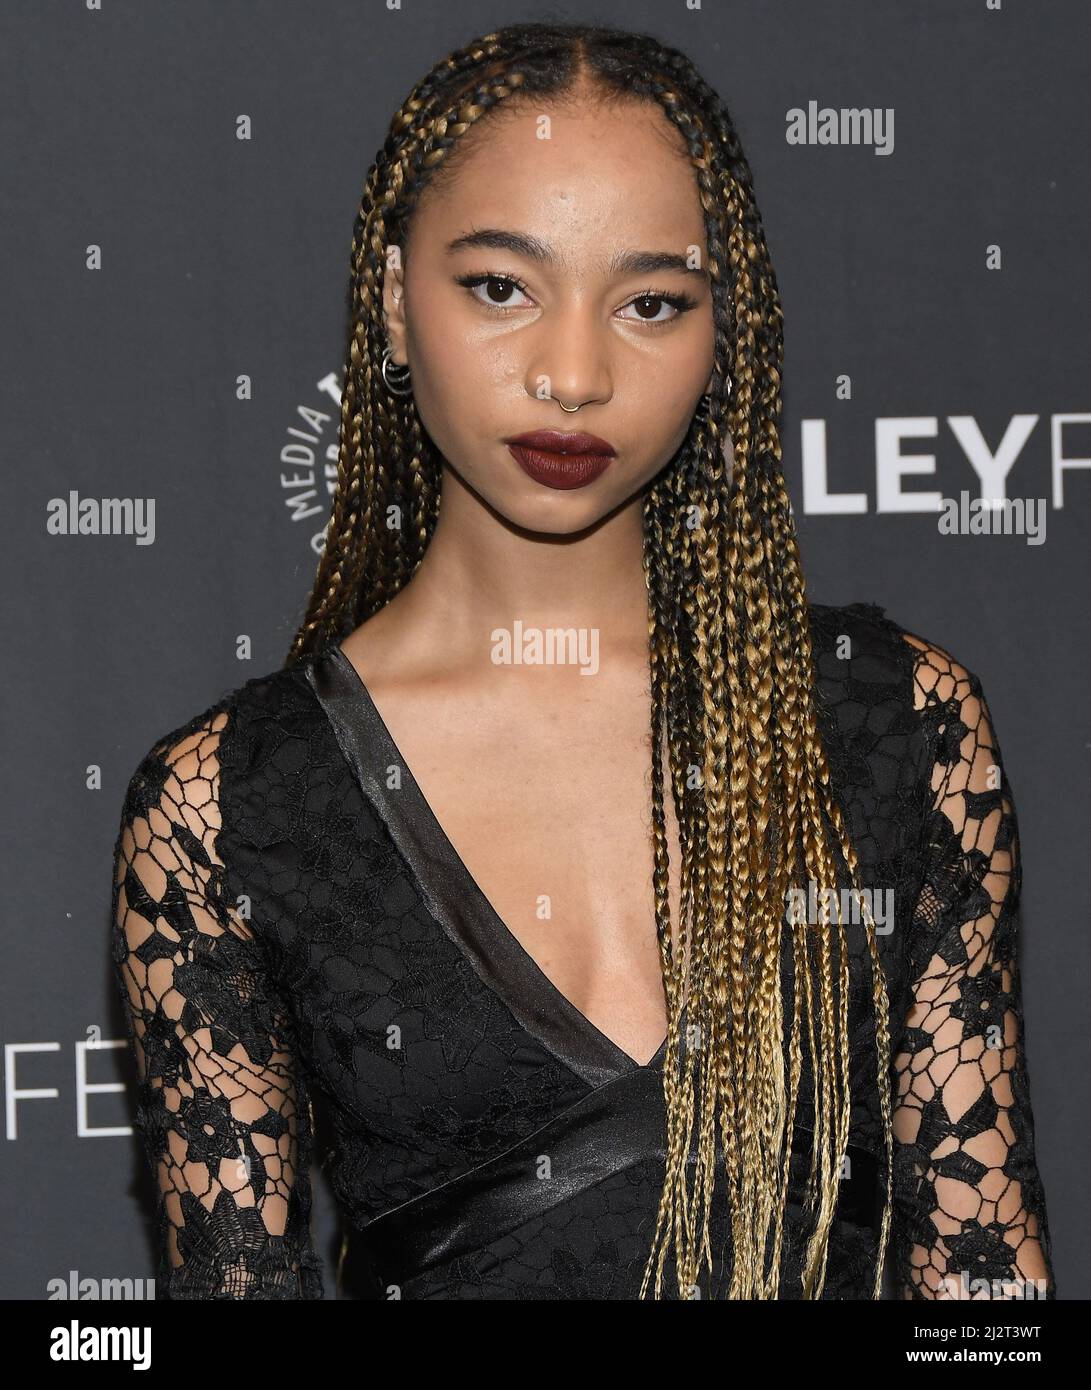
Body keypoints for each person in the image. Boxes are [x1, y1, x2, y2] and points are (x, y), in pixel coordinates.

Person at [110, 20, 1056, 1300]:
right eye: (499, 287)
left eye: (650, 302)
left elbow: (984, 1279)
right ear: (394, 302)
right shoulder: (226, 808)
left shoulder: (898, 726)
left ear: (723, 333)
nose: (571, 374)